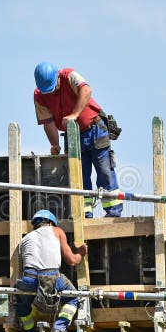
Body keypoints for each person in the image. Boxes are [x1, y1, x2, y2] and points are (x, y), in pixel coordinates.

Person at [33, 62, 123, 217]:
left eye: (53, 87)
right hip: (72, 136)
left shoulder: (69, 75)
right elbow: (48, 122)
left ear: (57, 76)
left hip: (94, 129)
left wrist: (74, 114)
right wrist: (54, 144)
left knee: (104, 171)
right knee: (79, 176)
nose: (51, 92)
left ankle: (113, 213)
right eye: (46, 90)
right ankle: (84, 215)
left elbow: (86, 90)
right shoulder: (39, 95)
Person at [15, 209, 88, 332]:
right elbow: (72, 260)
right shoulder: (57, 231)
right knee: (74, 297)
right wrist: (81, 253)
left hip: (28, 278)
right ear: (50, 223)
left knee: (21, 304)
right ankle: (58, 329)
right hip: (51, 276)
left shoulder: (25, 239)